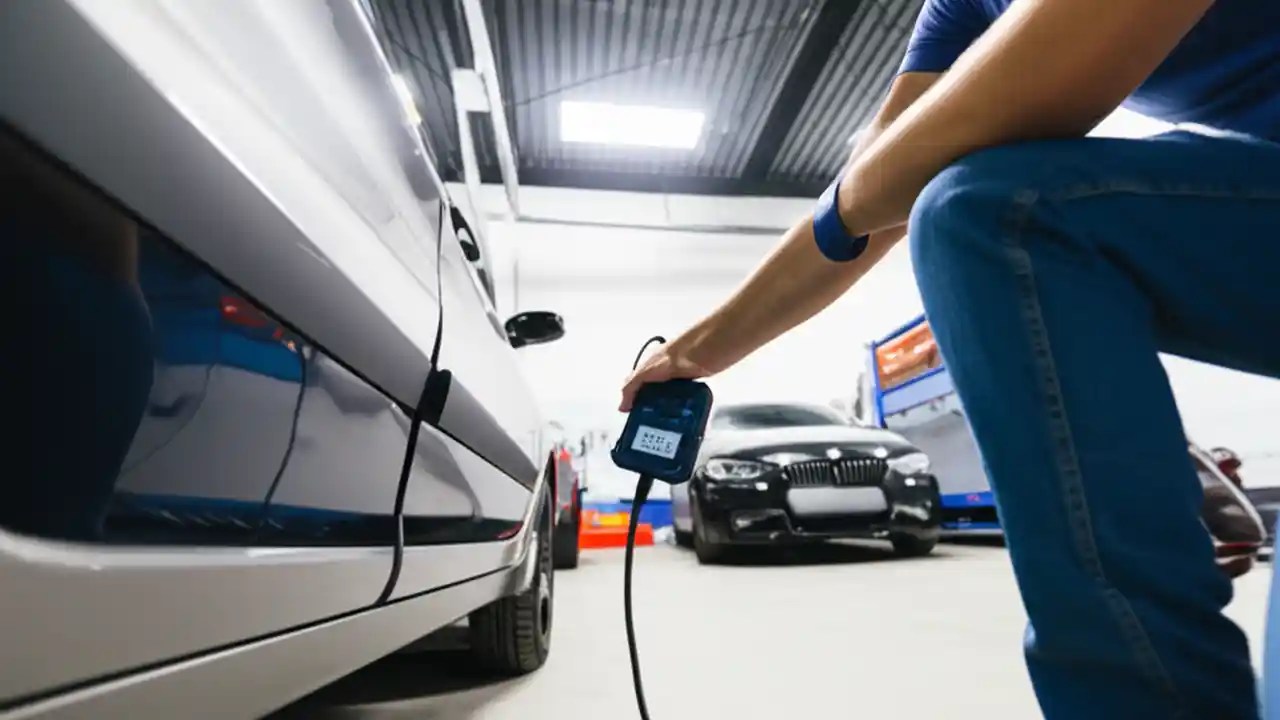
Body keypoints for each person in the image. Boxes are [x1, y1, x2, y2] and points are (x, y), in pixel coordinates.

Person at [619, 1, 1280, 718]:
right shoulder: (958, 11)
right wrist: (695, 350)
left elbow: (921, 160)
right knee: (979, 210)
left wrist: (870, 187)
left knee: (996, 214)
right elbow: (870, 191)